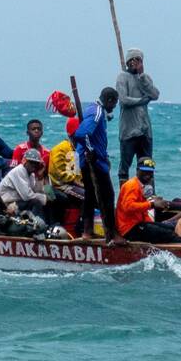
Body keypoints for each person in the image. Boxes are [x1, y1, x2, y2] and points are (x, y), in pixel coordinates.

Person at [72, 86, 122, 243]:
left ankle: (88, 231)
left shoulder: (93, 110)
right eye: (114, 104)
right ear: (109, 100)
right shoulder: (97, 112)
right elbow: (81, 134)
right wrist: (91, 150)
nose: (114, 107)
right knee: (108, 196)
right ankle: (112, 233)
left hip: (92, 160)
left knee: (90, 195)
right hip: (94, 162)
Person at [115, 47, 161, 186]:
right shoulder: (122, 77)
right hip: (128, 131)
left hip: (145, 131)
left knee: (147, 166)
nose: (135, 63)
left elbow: (155, 95)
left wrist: (141, 77)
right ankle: (125, 197)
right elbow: (123, 100)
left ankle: (148, 198)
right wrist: (142, 101)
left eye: (139, 60)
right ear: (128, 62)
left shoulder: (145, 78)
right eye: (133, 60)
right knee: (125, 166)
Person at [116, 157, 175, 243]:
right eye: (145, 171)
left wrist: (153, 225)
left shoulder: (141, 185)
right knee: (169, 234)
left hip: (139, 224)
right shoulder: (132, 186)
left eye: (150, 172)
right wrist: (152, 204)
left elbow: (143, 212)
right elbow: (128, 207)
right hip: (129, 229)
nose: (148, 174)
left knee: (169, 228)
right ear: (137, 170)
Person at [0, 149, 50, 217]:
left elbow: (37, 191)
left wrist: (41, 175)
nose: (33, 165)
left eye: (36, 163)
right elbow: (27, 196)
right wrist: (45, 198)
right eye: (31, 162)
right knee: (37, 202)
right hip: (5, 205)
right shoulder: (19, 171)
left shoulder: (31, 174)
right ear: (25, 161)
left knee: (53, 198)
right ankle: (39, 224)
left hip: (16, 201)